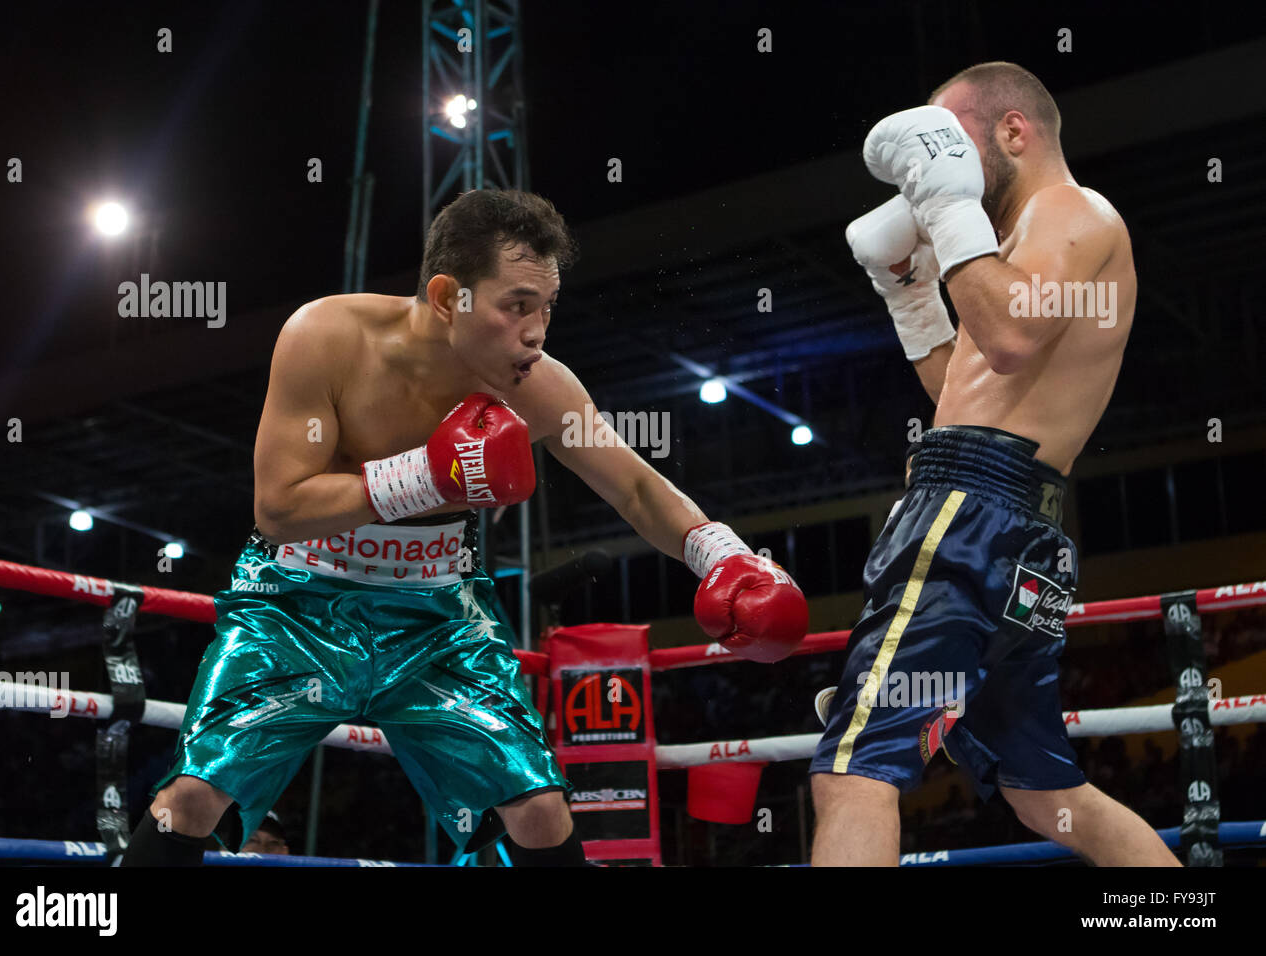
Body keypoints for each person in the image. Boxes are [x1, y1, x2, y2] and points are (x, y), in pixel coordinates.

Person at [122, 189, 808, 867]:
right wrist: (430, 475)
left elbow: (634, 486)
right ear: (450, 296)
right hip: (296, 600)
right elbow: (278, 508)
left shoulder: (541, 387)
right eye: (517, 305)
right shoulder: (327, 337)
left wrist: (723, 557)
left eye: (547, 307)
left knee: (538, 810)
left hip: (439, 615)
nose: (537, 331)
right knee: (193, 797)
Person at [810, 62, 1178, 866]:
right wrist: (910, 295)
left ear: (1015, 132)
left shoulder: (1071, 210)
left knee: (853, 770)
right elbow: (965, 392)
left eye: (951, 141)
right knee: (1048, 796)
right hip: (1013, 531)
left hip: (969, 517)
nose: (933, 165)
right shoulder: (1016, 248)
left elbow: (1008, 338)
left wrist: (945, 209)